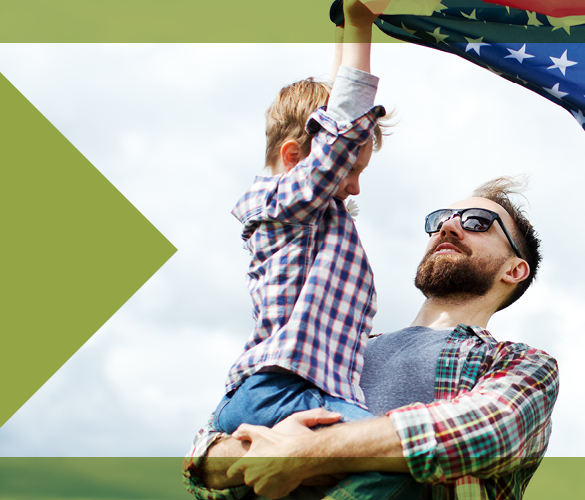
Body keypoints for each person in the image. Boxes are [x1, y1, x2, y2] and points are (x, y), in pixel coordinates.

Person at [187, 177, 560, 500]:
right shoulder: (341, 343)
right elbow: (202, 455)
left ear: (514, 269)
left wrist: (312, 451)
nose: (448, 227)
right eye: (440, 220)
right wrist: (259, 451)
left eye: (478, 222)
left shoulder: (521, 363)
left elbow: (489, 429)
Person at [203, 2, 409, 499]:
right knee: (399, 461)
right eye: (349, 171)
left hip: (271, 391)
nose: (354, 187)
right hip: (287, 389)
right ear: (296, 158)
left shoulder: (307, 212)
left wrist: (341, 28)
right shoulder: (284, 202)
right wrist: (361, 22)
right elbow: (342, 124)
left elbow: (336, 122)